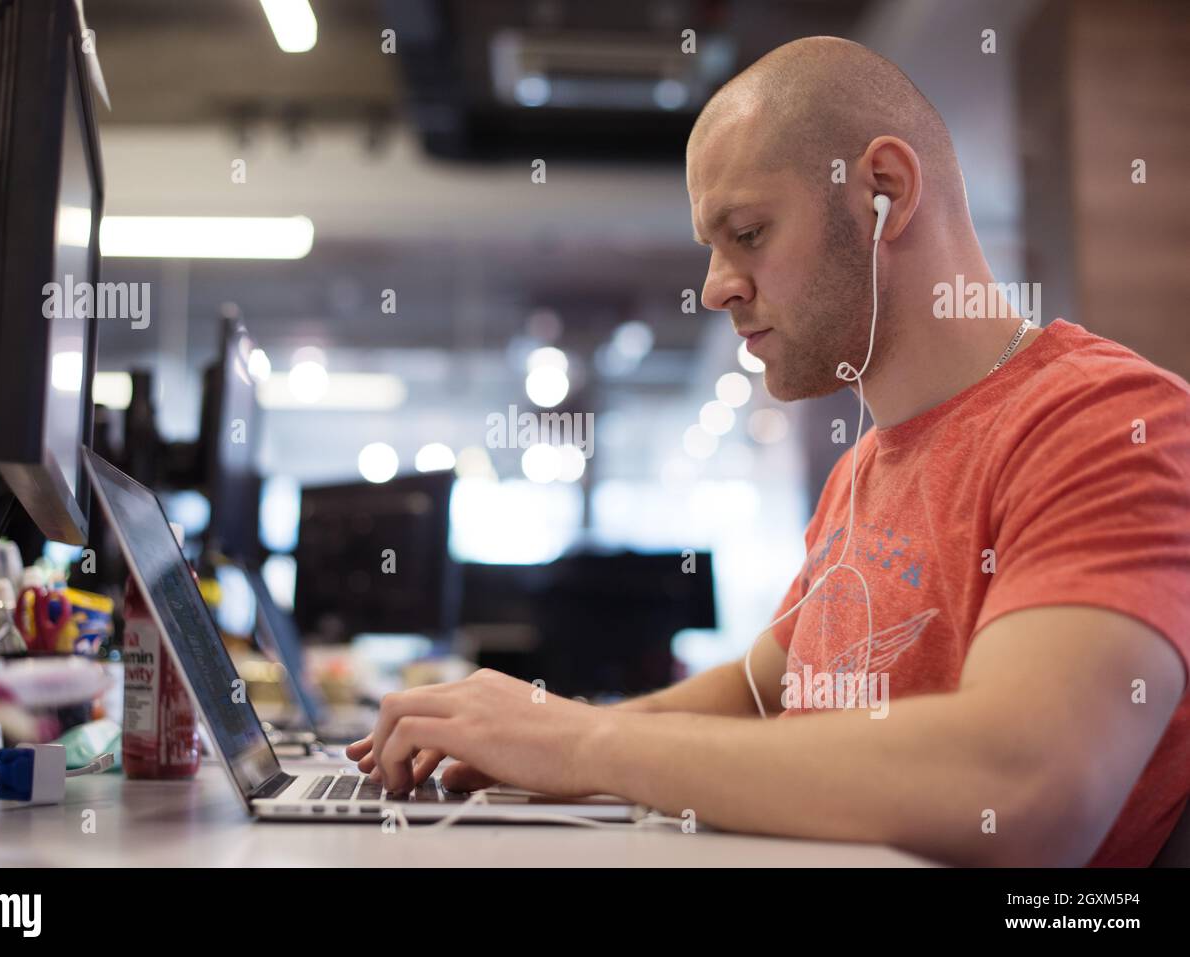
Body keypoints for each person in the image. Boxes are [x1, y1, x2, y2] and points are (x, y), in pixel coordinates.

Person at [346, 36, 1190, 867]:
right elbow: (759, 692)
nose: (716, 286)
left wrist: (585, 744)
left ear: (884, 191)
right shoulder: (865, 469)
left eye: (747, 232)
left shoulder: (1105, 421)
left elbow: (1027, 785)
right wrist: (520, 736)